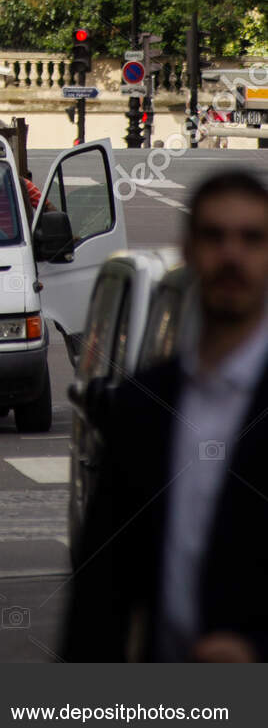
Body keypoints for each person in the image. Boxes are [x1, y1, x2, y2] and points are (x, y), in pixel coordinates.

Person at [63, 170, 268, 663]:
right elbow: (102, 587)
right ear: (191, 251)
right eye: (215, 237)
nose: (232, 256)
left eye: (252, 239)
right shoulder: (144, 404)